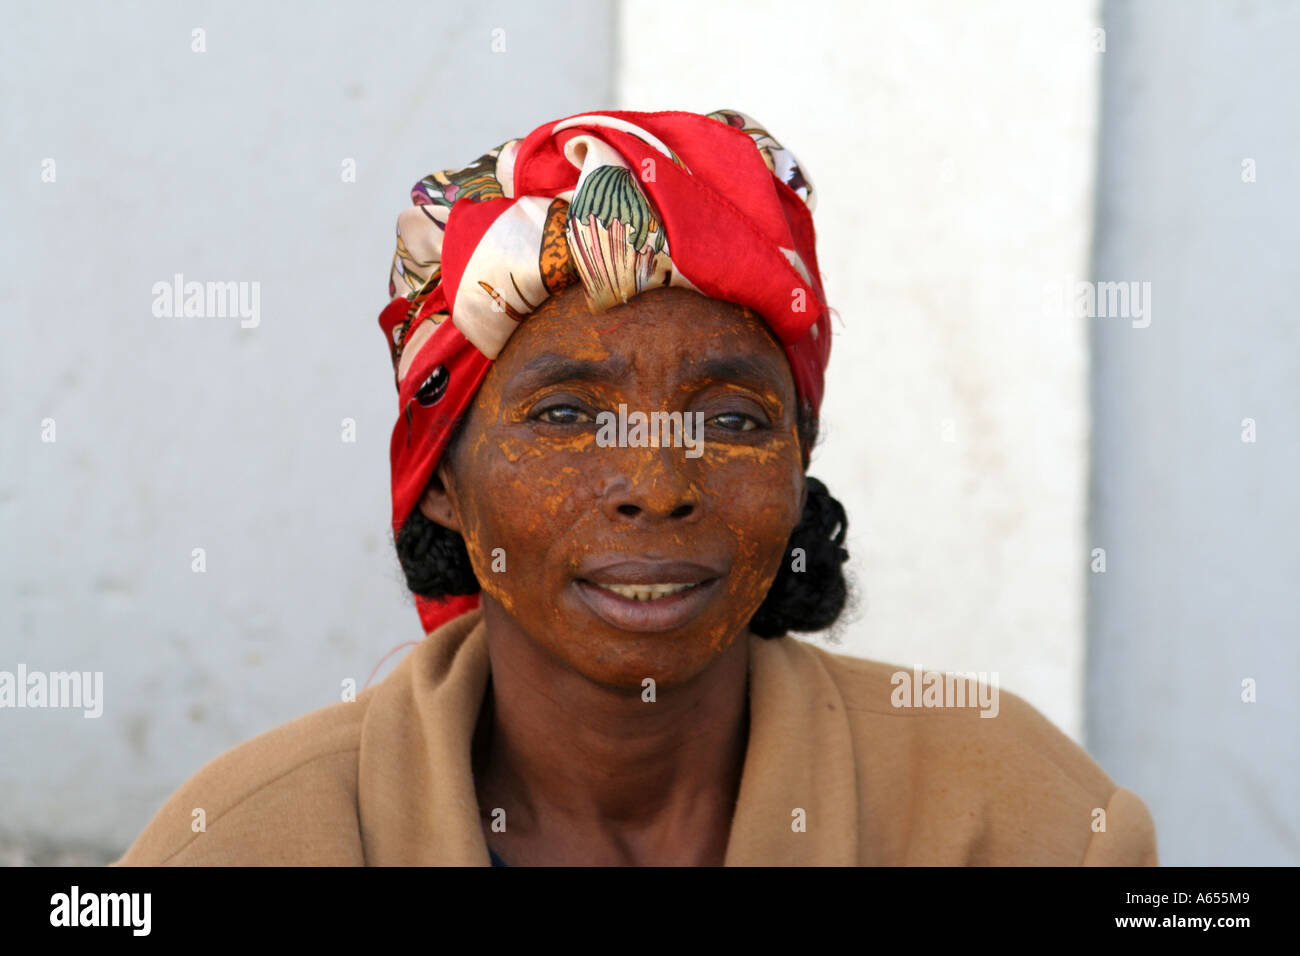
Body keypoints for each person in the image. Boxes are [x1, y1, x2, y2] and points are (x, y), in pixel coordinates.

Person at [113, 108, 1157, 866]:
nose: (658, 484)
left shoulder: (1014, 817)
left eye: (732, 419)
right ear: (442, 482)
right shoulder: (252, 838)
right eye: (566, 414)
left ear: (798, 466)